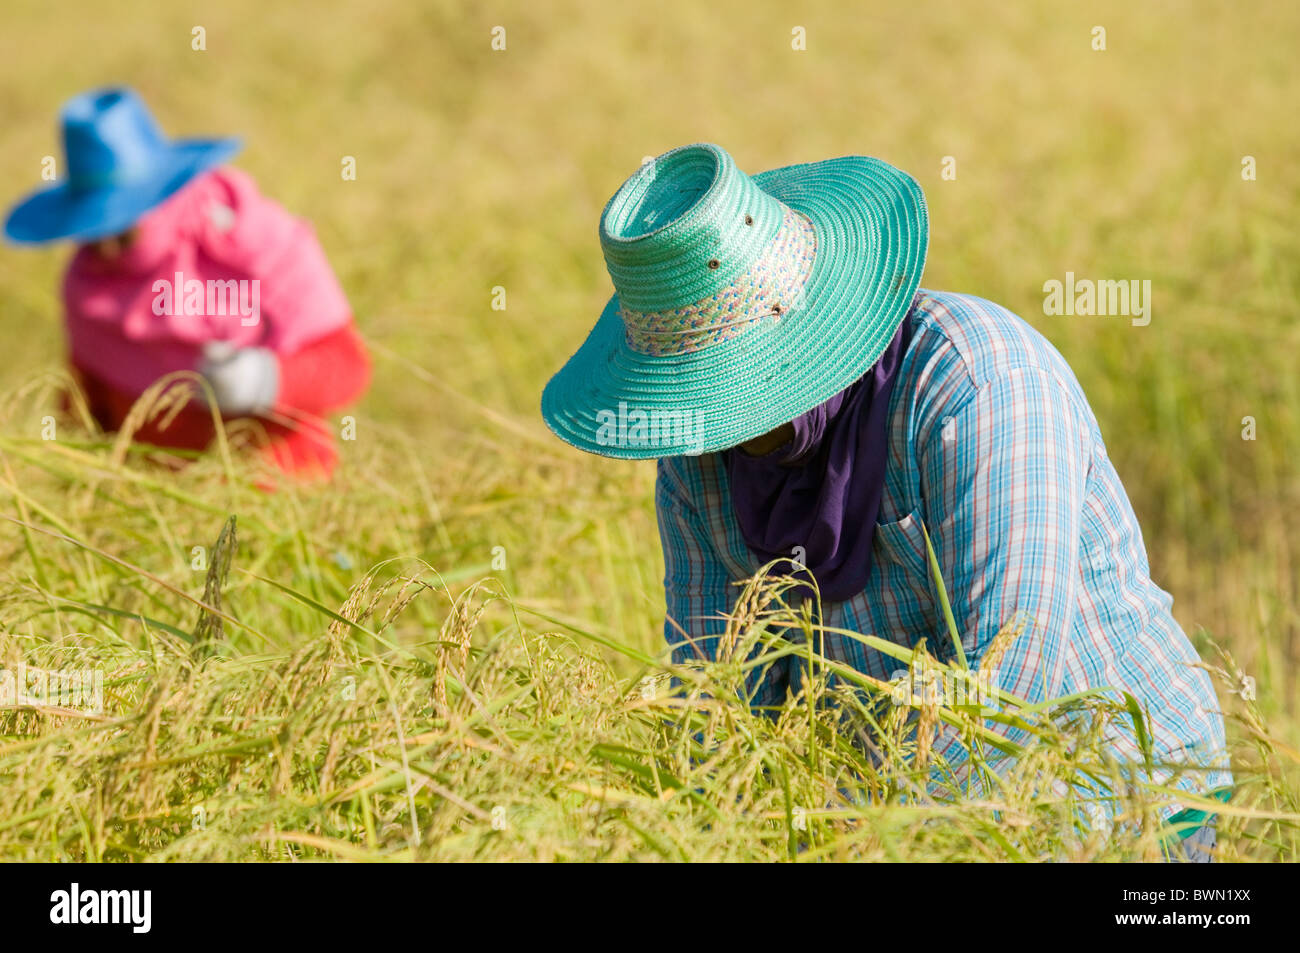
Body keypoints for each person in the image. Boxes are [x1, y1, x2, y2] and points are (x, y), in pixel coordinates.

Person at [541, 142, 1230, 856]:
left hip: (1111, 798)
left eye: (729, 387)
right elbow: (715, 691)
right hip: (875, 814)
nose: (722, 428)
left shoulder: (976, 388)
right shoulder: (696, 457)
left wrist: (878, 841)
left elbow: (1008, 682)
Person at [3, 87, 370, 477]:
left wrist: (266, 381)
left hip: (282, 493)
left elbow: (348, 367)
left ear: (160, 201)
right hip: (159, 512)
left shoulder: (260, 245)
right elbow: (83, 409)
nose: (108, 252)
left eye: (123, 233)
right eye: (93, 235)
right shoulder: (88, 285)